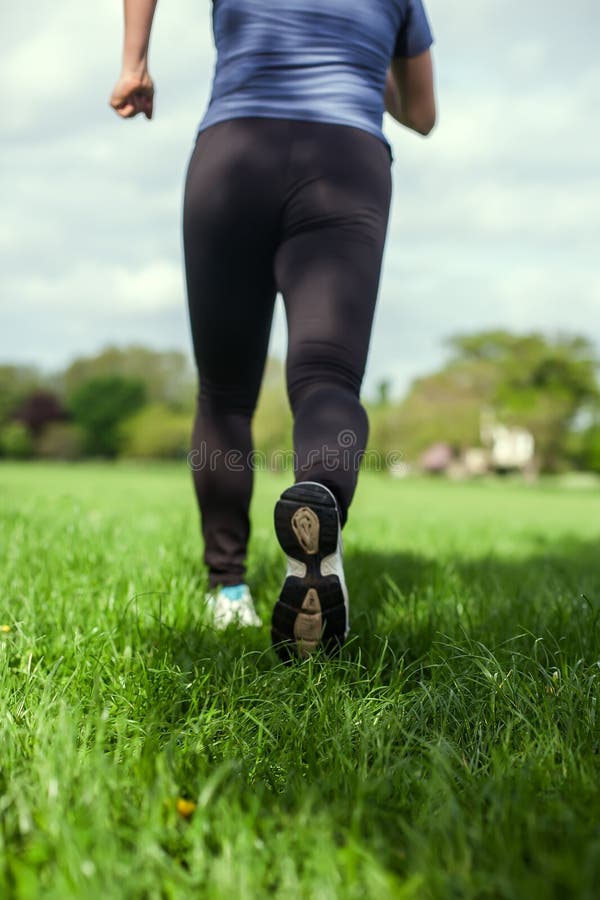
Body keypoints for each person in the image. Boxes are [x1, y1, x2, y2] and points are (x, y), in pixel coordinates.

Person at [110, 0, 436, 660]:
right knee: (327, 378)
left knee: (225, 394)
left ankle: (228, 589)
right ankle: (321, 503)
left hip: (235, 152)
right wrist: (366, 59)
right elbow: (423, 114)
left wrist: (134, 62)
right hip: (346, 161)